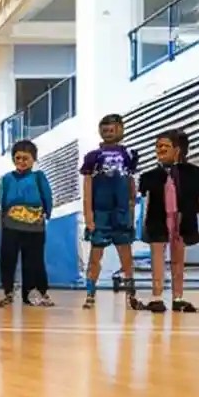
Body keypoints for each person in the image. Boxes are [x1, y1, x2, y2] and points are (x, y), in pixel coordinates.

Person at [139, 130, 199, 313]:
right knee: (157, 258)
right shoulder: (149, 176)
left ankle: (178, 297)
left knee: (178, 259)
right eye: (158, 146)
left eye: (165, 146)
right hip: (157, 219)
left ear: (177, 149)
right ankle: (157, 296)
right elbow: (145, 202)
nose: (160, 149)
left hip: (181, 220)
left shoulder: (195, 173)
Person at [81, 114, 142, 310]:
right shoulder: (93, 157)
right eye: (104, 130)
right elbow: (87, 187)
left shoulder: (129, 155)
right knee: (95, 254)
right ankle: (90, 293)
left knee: (126, 254)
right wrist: (88, 215)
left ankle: (130, 294)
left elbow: (132, 184)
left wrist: (132, 212)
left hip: (122, 212)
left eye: (112, 129)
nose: (108, 133)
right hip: (101, 212)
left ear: (121, 129)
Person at [0, 139, 55, 307]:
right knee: (7, 260)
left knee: (34, 261)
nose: (21, 162)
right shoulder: (6, 179)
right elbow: (3, 200)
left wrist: (45, 214)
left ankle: (34, 293)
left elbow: (47, 197)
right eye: (18, 158)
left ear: (33, 159)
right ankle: (8, 292)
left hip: (34, 227)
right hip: (11, 226)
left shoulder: (39, 177)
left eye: (25, 158)